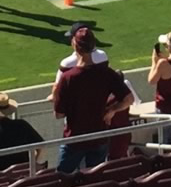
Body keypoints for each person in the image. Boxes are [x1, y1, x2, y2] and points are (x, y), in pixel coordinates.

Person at [51, 26, 134, 174]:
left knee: (61, 179)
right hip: (99, 137)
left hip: (74, 139)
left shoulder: (68, 78)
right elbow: (129, 99)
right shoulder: (106, 73)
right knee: (95, 179)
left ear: (74, 45)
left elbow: (59, 114)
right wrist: (112, 110)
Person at [0, 91, 44, 179]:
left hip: (1, 179)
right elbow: (41, 147)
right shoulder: (23, 125)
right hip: (24, 175)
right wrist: (31, 164)